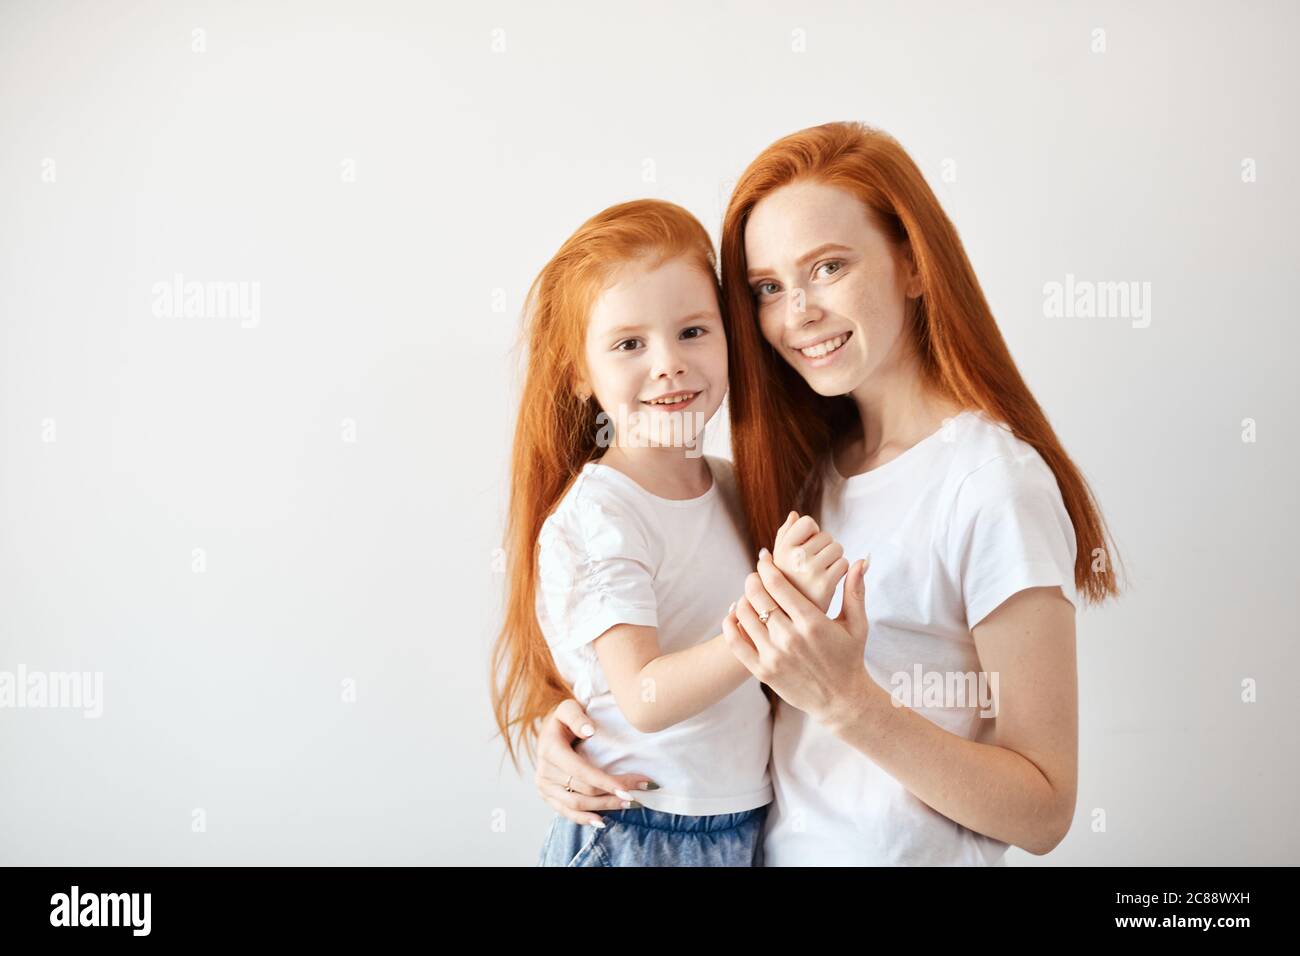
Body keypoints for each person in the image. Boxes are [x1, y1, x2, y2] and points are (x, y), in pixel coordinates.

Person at [528, 122, 1122, 865]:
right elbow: (673, 656)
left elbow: (1043, 813)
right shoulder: (798, 476)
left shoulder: (991, 485)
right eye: (768, 288)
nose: (797, 312)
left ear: (912, 262)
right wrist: (580, 725)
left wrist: (852, 704)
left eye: (829, 267)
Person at [491, 199, 849, 866]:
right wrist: (778, 615)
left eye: (692, 332)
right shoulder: (602, 515)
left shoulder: (736, 486)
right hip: (645, 832)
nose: (669, 364)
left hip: (737, 827)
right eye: (630, 344)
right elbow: (645, 697)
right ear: (578, 372)